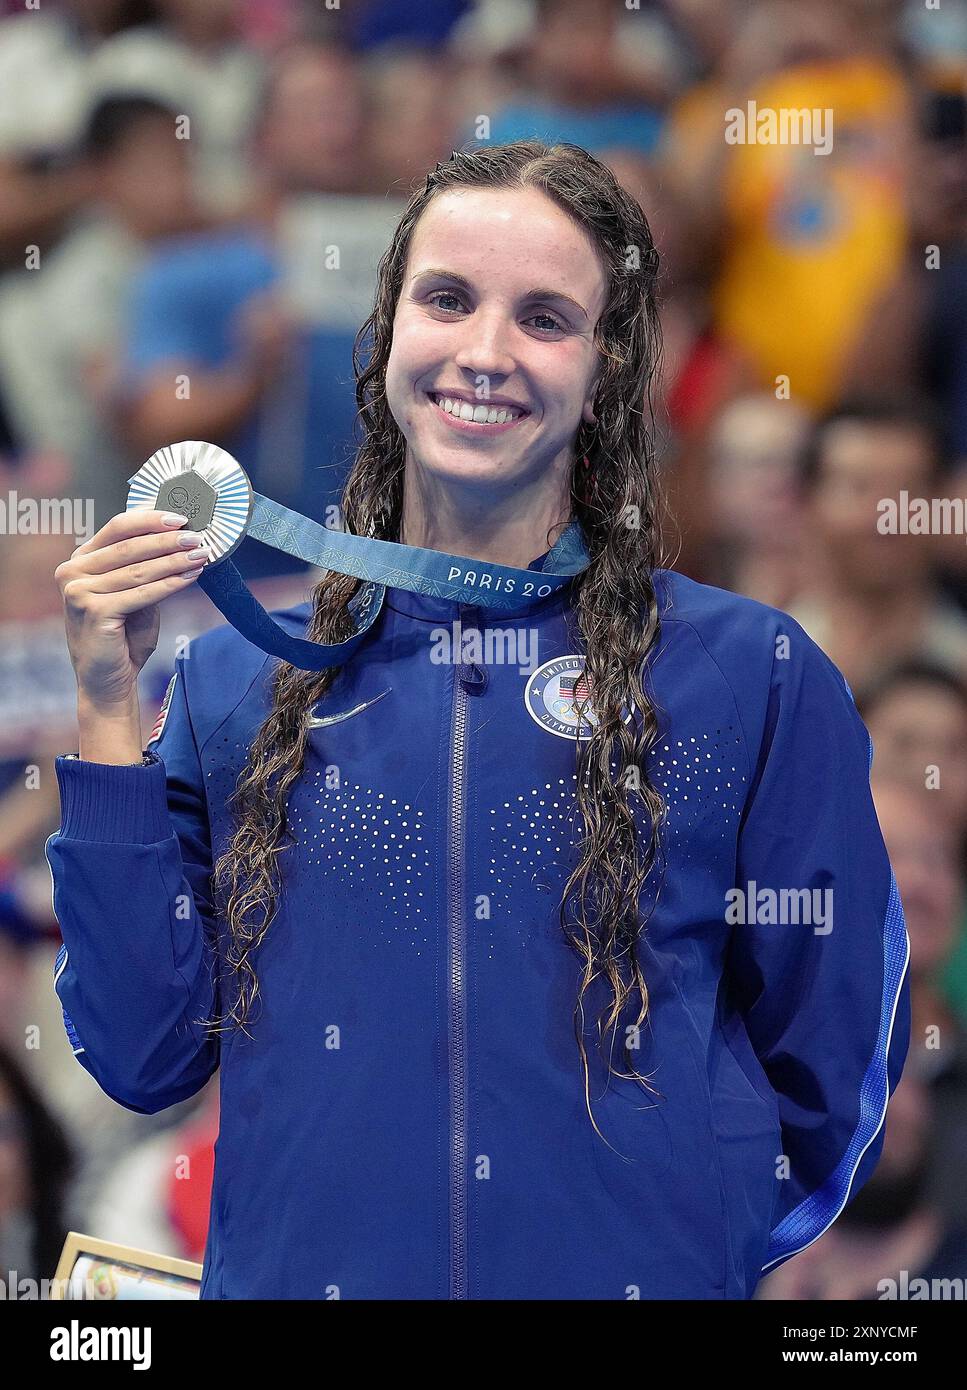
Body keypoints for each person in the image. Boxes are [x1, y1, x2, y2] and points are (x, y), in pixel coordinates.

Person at [46, 141, 910, 1300]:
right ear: (388, 331)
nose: (485, 353)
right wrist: (107, 712)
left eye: (545, 317)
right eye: (447, 299)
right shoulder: (232, 683)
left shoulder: (747, 674)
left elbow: (840, 1059)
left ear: (606, 370)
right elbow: (145, 1057)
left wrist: (682, 1246)